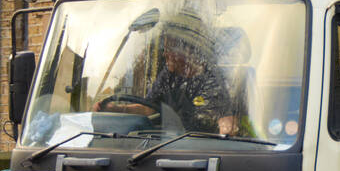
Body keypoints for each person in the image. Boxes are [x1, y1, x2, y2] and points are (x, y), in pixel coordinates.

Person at [95, 19, 239, 136]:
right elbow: (148, 109)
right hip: (166, 144)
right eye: (165, 49)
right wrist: (114, 109)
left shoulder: (212, 81)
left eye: (170, 49)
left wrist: (225, 133)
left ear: (186, 51)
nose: (165, 54)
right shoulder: (169, 75)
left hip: (200, 149)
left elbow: (226, 123)